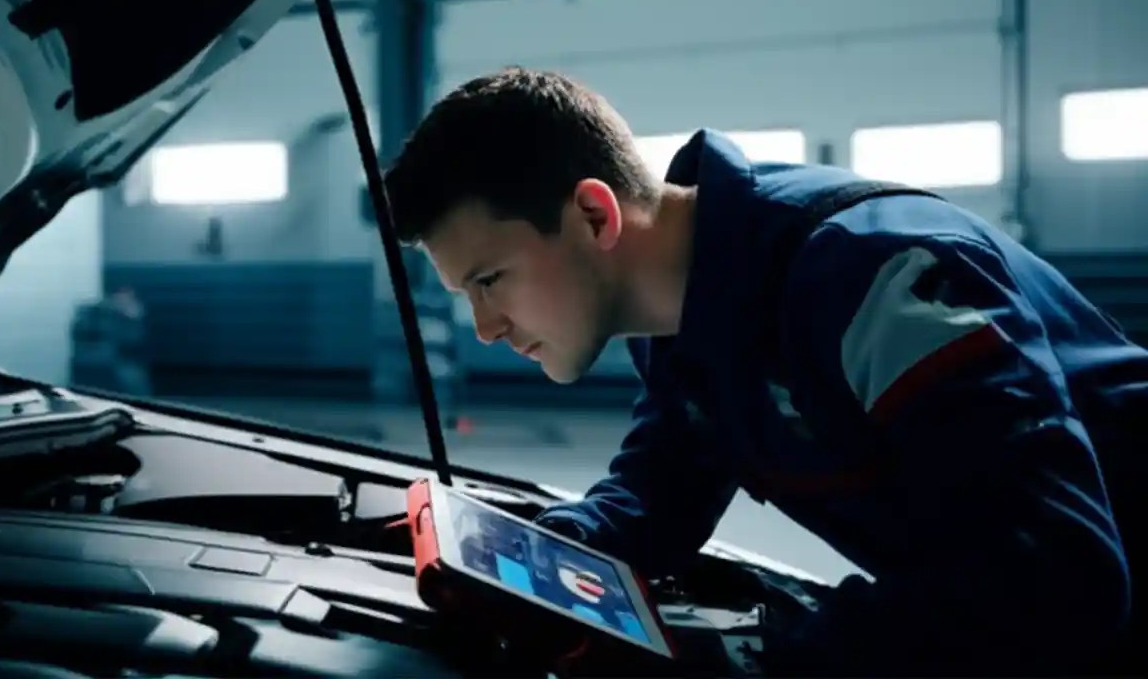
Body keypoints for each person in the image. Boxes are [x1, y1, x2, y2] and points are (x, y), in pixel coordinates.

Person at [382, 66, 1144, 675]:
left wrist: (781, 653)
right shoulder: (689, 314)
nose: (484, 329)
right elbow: (662, 490)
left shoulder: (870, 282)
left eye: (489, 281)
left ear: (594, 215)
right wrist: (542, 551)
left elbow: (1059, 579)